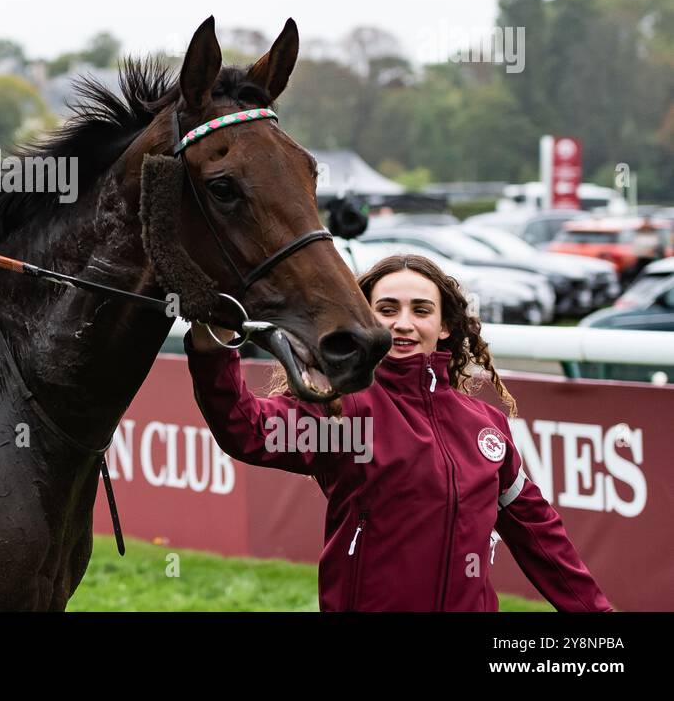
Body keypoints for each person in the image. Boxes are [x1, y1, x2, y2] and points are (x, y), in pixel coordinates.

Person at [187, 253, 612, 611]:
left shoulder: (487, 425)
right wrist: (214, 337)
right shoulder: (346, 409)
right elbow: (246, 429)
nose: (403, 324)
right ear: (364, 319)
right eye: (387, 310)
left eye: (421, 310)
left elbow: (539, 533)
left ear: (445, 326)